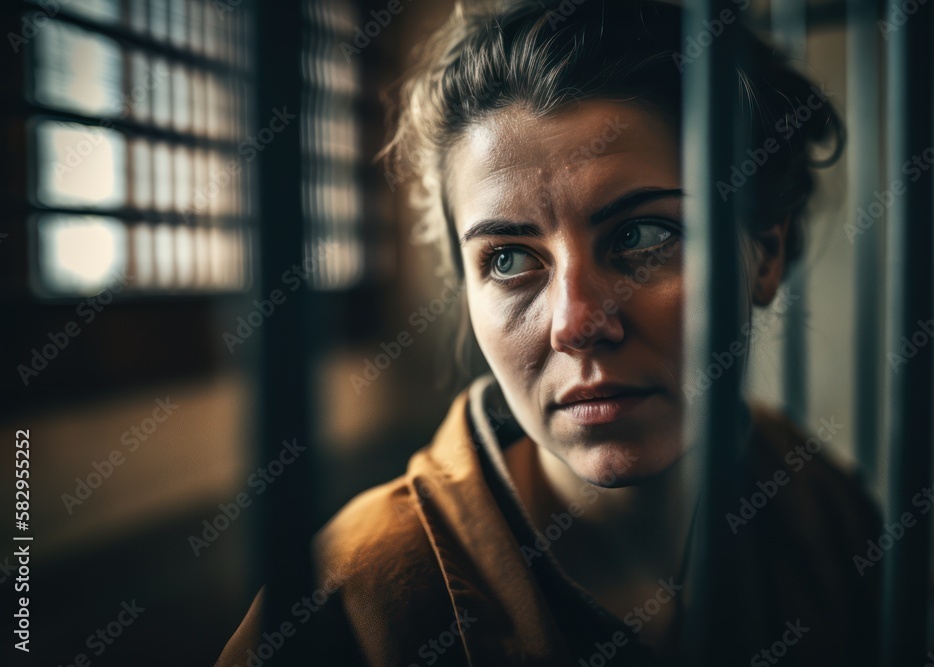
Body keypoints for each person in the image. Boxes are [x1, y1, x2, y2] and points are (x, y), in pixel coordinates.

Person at [217, 1, 881, 664]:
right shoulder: (348, 607)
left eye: (643, 235)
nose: (576, 322)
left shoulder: (822, 510)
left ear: (764, 254)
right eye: (508, 259)